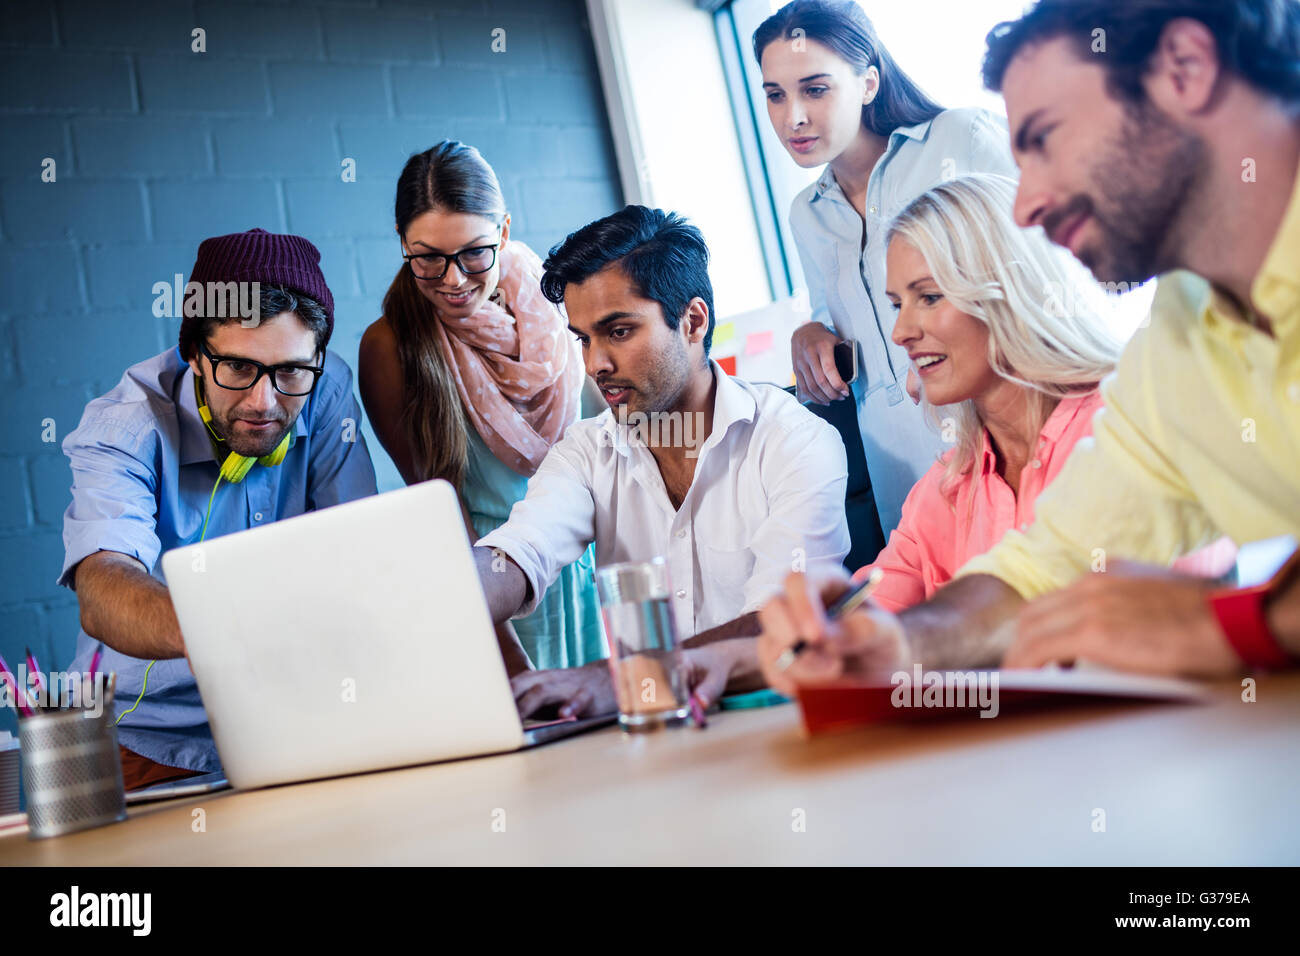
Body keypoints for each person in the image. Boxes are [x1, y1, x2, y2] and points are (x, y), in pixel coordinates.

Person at [756, 0, 1300, 689]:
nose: (1025, 205)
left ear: (1186, 69)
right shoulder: (1183, 337)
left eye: (1046, 139)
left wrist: (1234, 624)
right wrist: (897, 641)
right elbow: (1047, 563)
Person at [472, 205, 851, 719]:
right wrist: (449, 603)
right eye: (584, 338)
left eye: (619, 331)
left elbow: (783, 620)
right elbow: (518, 554)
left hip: (780, 731)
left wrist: (625, 677)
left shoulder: (795, 442)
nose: (594, 364)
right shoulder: (585, 453)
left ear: (693, 320)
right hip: (657, 742)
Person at [61, 229, 378, 790]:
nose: (264, 402)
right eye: (237, 368)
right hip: (148, 736)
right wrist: (223, 630)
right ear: (194, 355)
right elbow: (103, 587)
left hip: (296, 719)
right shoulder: (123, 428)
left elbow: (356, 547)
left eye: (290, 371)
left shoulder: (323, 393)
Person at [755, 0, 1018, 540]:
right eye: (775, 95)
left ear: (868, 83)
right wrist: (812, 331)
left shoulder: (960, 140)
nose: (793, 117)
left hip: (1007, 446)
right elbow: (840, 320)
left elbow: (1057, 271)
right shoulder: (806, 214)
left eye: (816, 89)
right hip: (906, 480)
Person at [358, 142, 604, 674]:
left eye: (474, 252)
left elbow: (610, 437)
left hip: (588, 569)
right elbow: (440, 510)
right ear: (402, 244)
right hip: (495, 588)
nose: (453, 279)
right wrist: (510, 658)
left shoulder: (557, 305)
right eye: (427, 257)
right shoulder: (390, 347)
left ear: (505, 233)